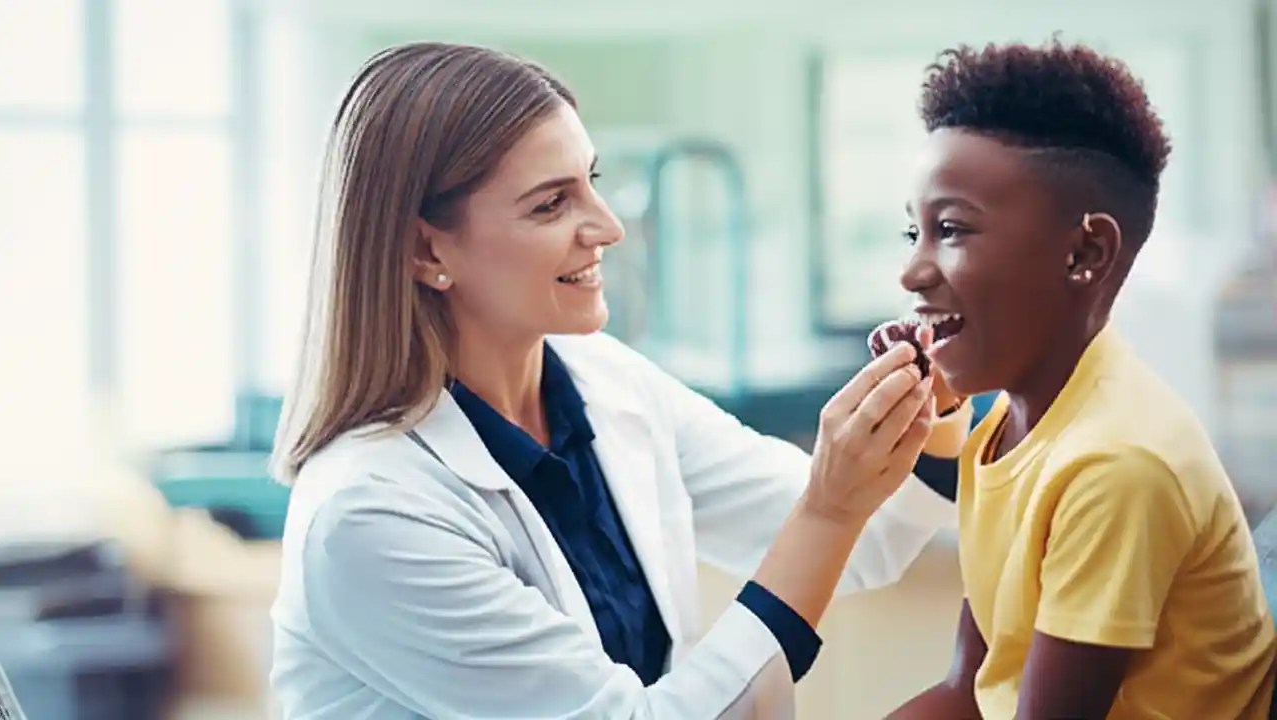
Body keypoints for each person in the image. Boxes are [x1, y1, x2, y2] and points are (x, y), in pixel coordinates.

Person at [267, 42, 972, 719]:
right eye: (551, 204)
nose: (607, 227)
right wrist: (829, 509)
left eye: (593, 184)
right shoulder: (368, 517)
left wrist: (936, 404)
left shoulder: (606, 381)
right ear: (427, 249)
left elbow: (870, 543)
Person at [887, 40, 1277, 719]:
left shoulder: (1116, 464)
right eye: (911, 233)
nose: (913, 272)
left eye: (949, 229)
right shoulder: (1003, 432)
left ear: (1086, 252)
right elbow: (970, 693)